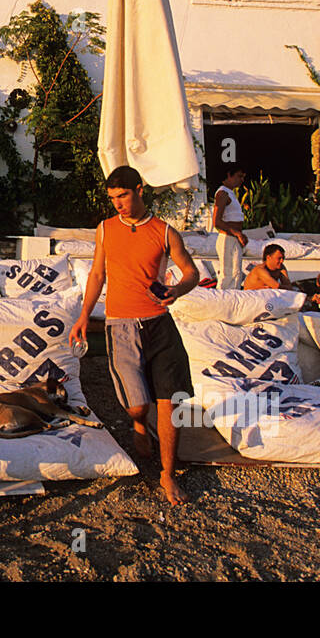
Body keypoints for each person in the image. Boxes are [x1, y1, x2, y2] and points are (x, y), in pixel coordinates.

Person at [69, 165, 200, 506]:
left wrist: (178, 290)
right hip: (120, 326)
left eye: (123, 196)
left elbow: (191, 272)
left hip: (159, 324)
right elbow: (97, 274)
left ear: (139, 190)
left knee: (170, 402)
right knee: (137, 406)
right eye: (112, 198)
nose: (118, 204)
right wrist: (83, 316)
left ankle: (167, 474)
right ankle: (140, 424)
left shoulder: (165, 232)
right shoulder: (105, 229)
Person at [212, 165, 247, 289]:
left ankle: (232, 298)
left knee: (235, 274)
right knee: (228, 275)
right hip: (228, 238)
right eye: (239, 176)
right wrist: (237, 233)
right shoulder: (222, 193)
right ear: (229, 175)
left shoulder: (230, 193)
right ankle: (222, 299)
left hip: (234, 239)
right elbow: (216, 221)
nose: (241, 180)